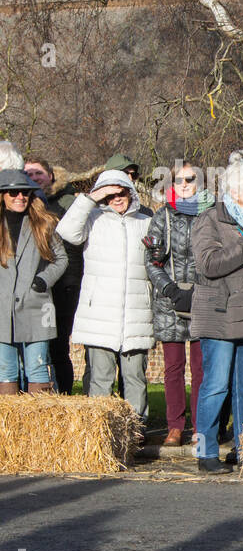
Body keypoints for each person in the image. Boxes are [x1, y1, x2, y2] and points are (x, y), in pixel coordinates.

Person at [191, 159, 243, 474]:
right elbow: (209, 265)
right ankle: (205, 452)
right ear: (234, 191)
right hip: (219, 315)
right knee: (215, 385)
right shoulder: (210, 220)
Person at [55, 170, 153, 417]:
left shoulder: (145, 222)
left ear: (130, 193)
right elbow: (66, 231)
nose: (117, 199)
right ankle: (98, 432)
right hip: (98, 315)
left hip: (136, 315)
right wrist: (93, 197)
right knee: (100, 378)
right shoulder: (92, 219)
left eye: (121, 193)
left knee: (136, 379)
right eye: (110, 195)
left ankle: (135, 433)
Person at [144, 160, 215, 445]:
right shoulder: (162, 216)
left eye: (190, 179)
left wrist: (204, 290)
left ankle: (201, 425)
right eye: (179, 180)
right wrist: (171, 290)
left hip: (203, 299)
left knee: (201, 368)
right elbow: (150, 260)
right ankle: (175, 425)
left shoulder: (212, 214)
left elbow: (218, 257)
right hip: (170, 300)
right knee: (173, 367)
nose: (184, 185)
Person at [0, 169, 67, 394]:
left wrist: (42, 280)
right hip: (2, 309)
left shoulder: (43, 223)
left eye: (25, 192)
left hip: (37, 306)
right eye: (14, 193)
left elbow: (61, 259)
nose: (20, 197)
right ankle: (8, 427)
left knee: (38, 368)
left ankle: (41, 426)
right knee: (5, 371)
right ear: (2, 196)